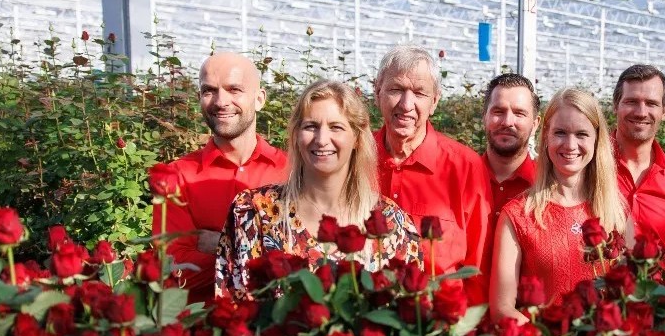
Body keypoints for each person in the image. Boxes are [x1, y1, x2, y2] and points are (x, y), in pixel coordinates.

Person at [215, 79, 420, 300]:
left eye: (336, 127)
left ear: (357, 139)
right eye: (311, 126)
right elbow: (232, 308)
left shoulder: (391, 224)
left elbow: (409, 313)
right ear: (296, 135)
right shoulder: (253, 212)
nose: (322, 140)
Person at [152, 52, 288, 304]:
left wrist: (223, 242)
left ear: (259, 99)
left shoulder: (291, 172)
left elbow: (306, 259)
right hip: (203, 329)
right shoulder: (177, 176)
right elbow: (173, 273)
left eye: (234, 89)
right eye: (209, 91)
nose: (221, 101)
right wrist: (266, 255)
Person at [490, 88, 632, 323]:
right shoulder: (518, 214)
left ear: (597, 139)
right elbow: (502, 309)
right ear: (546, 135)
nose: (570, 144)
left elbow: (630, 293)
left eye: (581, 134)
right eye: (560, 133)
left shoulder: (617, 210)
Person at [372, 45, 492, 304]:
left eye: (419, 93)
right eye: (396, 89)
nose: (407, 104)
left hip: (439, 323)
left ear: (434, 101)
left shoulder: (465, 167)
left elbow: (479, 267)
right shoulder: (356, 157)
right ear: (377, 92)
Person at [610, 64, 665, 246]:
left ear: (664, 111)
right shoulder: (588, 164)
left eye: (651, 103)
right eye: (631, 101)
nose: (641, 112)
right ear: (615, 105)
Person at [478, 73, 540, 277]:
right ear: (484, 116)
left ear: (535, 123)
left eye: (519, 113)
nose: (507, 121)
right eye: (498, 111)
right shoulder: (460, 178)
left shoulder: (548, 186)